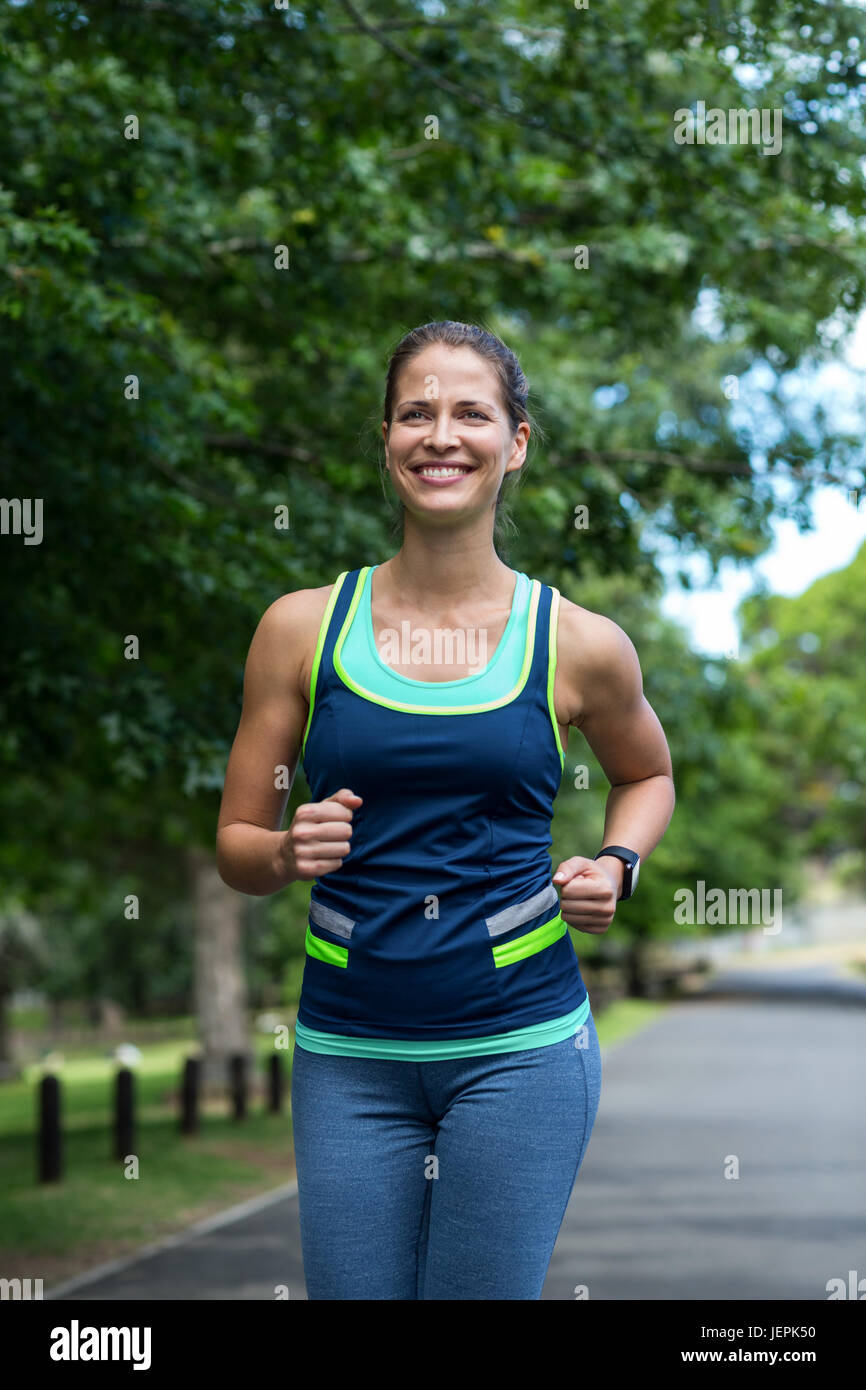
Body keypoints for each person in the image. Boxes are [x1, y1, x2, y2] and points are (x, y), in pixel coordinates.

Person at [216, 320, 675, 1300]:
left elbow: (647, 775)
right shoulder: (300, 629)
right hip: (348, 1055)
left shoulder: (578, 643)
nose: (440, 434)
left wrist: (615, 864)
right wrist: (286, 850)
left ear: (513, 443)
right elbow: (235, 845)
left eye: (470, 412)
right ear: (385, 437)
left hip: (520, 1051)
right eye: (414, 412)